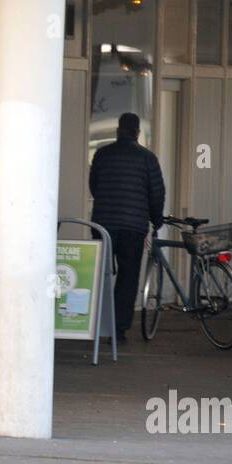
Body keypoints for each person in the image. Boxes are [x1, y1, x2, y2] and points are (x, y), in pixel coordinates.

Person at [88, 112, 165, 343]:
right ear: (137, 133)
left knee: (100, 274)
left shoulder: (102, 154)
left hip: (103, 224)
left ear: (118, 131)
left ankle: (95, 324)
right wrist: (156, 218)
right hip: (133, 226)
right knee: (128, 276)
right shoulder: (147, 158)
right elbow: (157, 193)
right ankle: (118, 329)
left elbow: (94, 186)